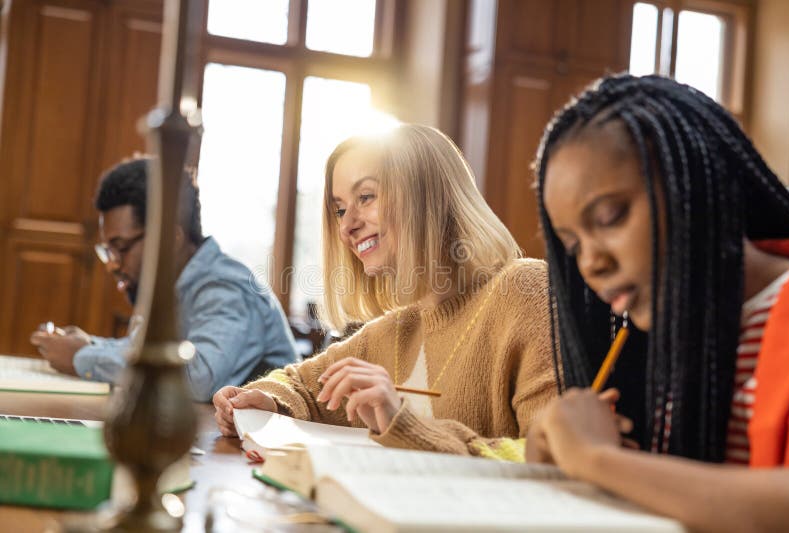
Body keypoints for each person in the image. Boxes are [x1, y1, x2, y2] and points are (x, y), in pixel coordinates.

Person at [527, 74, 789, 531]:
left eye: (610, 217)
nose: (591, 262)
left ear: (694, 181)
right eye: (573, 246)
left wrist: (597, 460)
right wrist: (555, 457)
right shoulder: (667, 337)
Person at [213, 124, 556, 460]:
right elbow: (298, 386)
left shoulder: (524, 289)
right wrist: (263, 400)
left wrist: (403, 425)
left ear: (428, 195)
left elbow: (551, 456)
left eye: (365, 197)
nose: (347, 226)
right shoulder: (398, 328)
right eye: (340, 209)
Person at [29, 158, 299, 401]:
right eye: (107, 250)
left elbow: (198, 378)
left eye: (120, 247)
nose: (112, 264)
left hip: (253, 453)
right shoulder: (173, 285)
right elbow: (142, 351)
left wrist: (81, 357)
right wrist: (89, 345)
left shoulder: (224, 287)